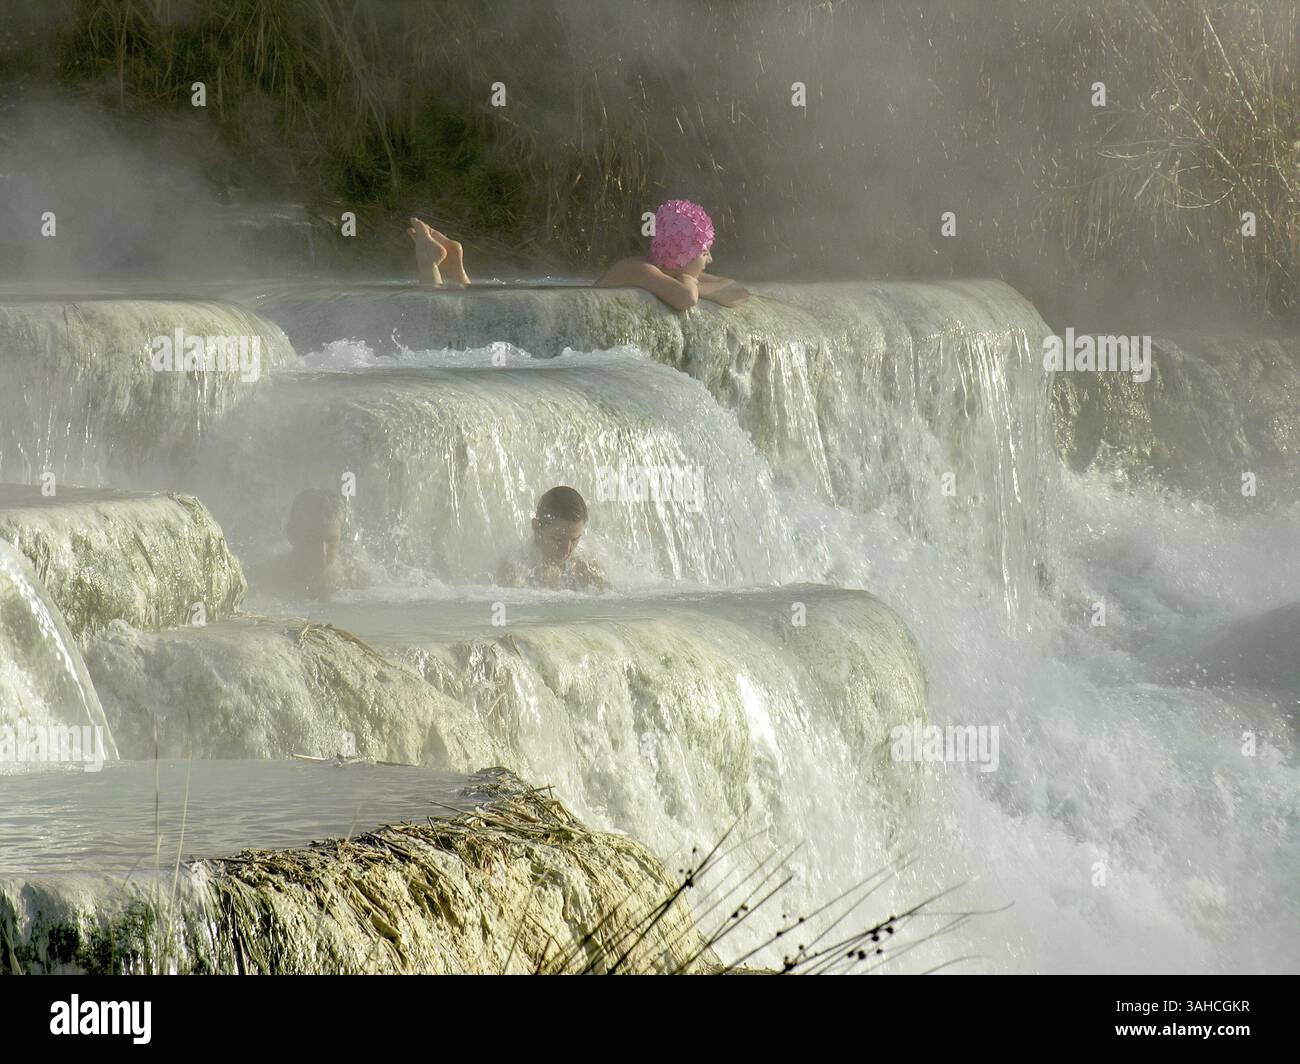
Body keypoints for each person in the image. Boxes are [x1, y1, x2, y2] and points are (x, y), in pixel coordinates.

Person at [407, 199, 748, 312]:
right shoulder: (642, 272)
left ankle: (454, 269)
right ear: (683, 252)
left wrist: (696, 275)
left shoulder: (661, 272)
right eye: (703, 251)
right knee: (444, 314)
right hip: (547, 311)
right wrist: (694, 278)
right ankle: (429, 263)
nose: (710, 259)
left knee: (470, 306)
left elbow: (737, 291)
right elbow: (687, 298)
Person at [246, 488, 358, 599]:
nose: (322, 553)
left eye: (331, 541)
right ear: (291, 534)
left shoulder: (352, 579)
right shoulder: (260, 580)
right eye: (312, 540)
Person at [497, 486, 610, 592]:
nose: (567, 550)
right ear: (537, 528)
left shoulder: (585, 566)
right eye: (558, 539)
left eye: (575, 540)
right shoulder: (514, 570)